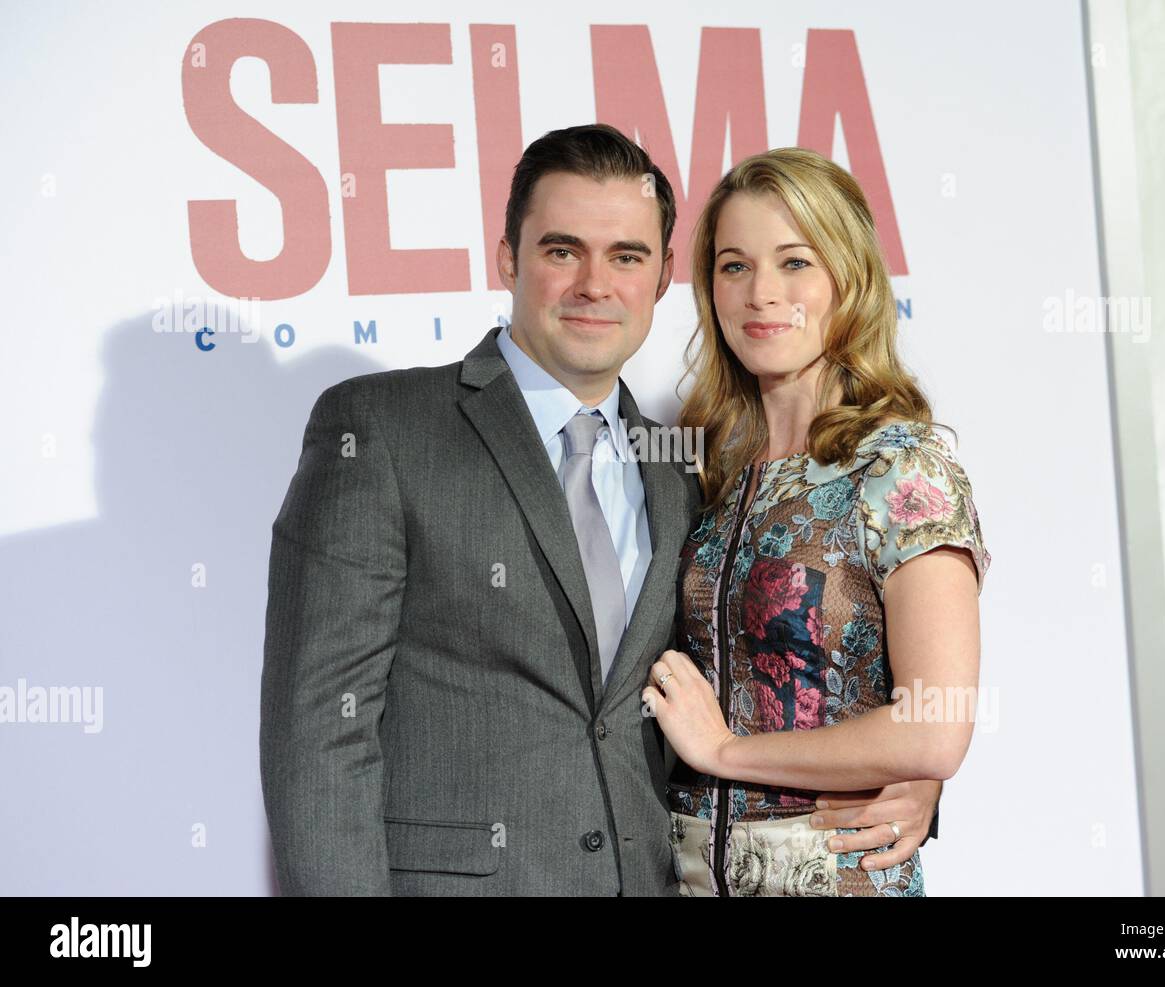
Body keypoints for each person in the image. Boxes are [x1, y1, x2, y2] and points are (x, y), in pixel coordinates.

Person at [260, 124, 939, 896]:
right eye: (561, 250)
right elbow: (316, 733)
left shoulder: (692, 466)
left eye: (626, 256)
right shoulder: (383, 430)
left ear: (660, 280)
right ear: (509, 258)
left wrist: (906, 776)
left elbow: (766, 674)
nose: (594, 283)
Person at [644, 147, 991, 897]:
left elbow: (935, 724)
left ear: (850, 278)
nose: (763, 293)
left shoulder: (902, 469)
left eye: (794, 262)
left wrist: (728, 751)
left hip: (836, 877)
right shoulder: (705, 466)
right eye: (734, 266)